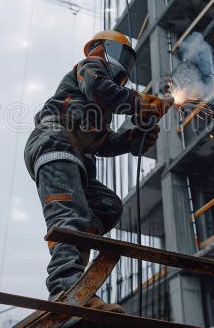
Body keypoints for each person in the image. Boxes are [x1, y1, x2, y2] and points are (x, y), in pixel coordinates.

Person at [23, 30, 170, 312]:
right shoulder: (90, 66)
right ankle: (65, 288)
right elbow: (101, 88)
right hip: (54, 141)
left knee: (107, 206)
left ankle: (75, 264)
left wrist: (131, 139)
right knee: (69, 216)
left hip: (74, 155)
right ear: (101, 48)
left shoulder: (100, 110)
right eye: (122, 55)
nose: (124, 64)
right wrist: (139, 102)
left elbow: (102, 143)